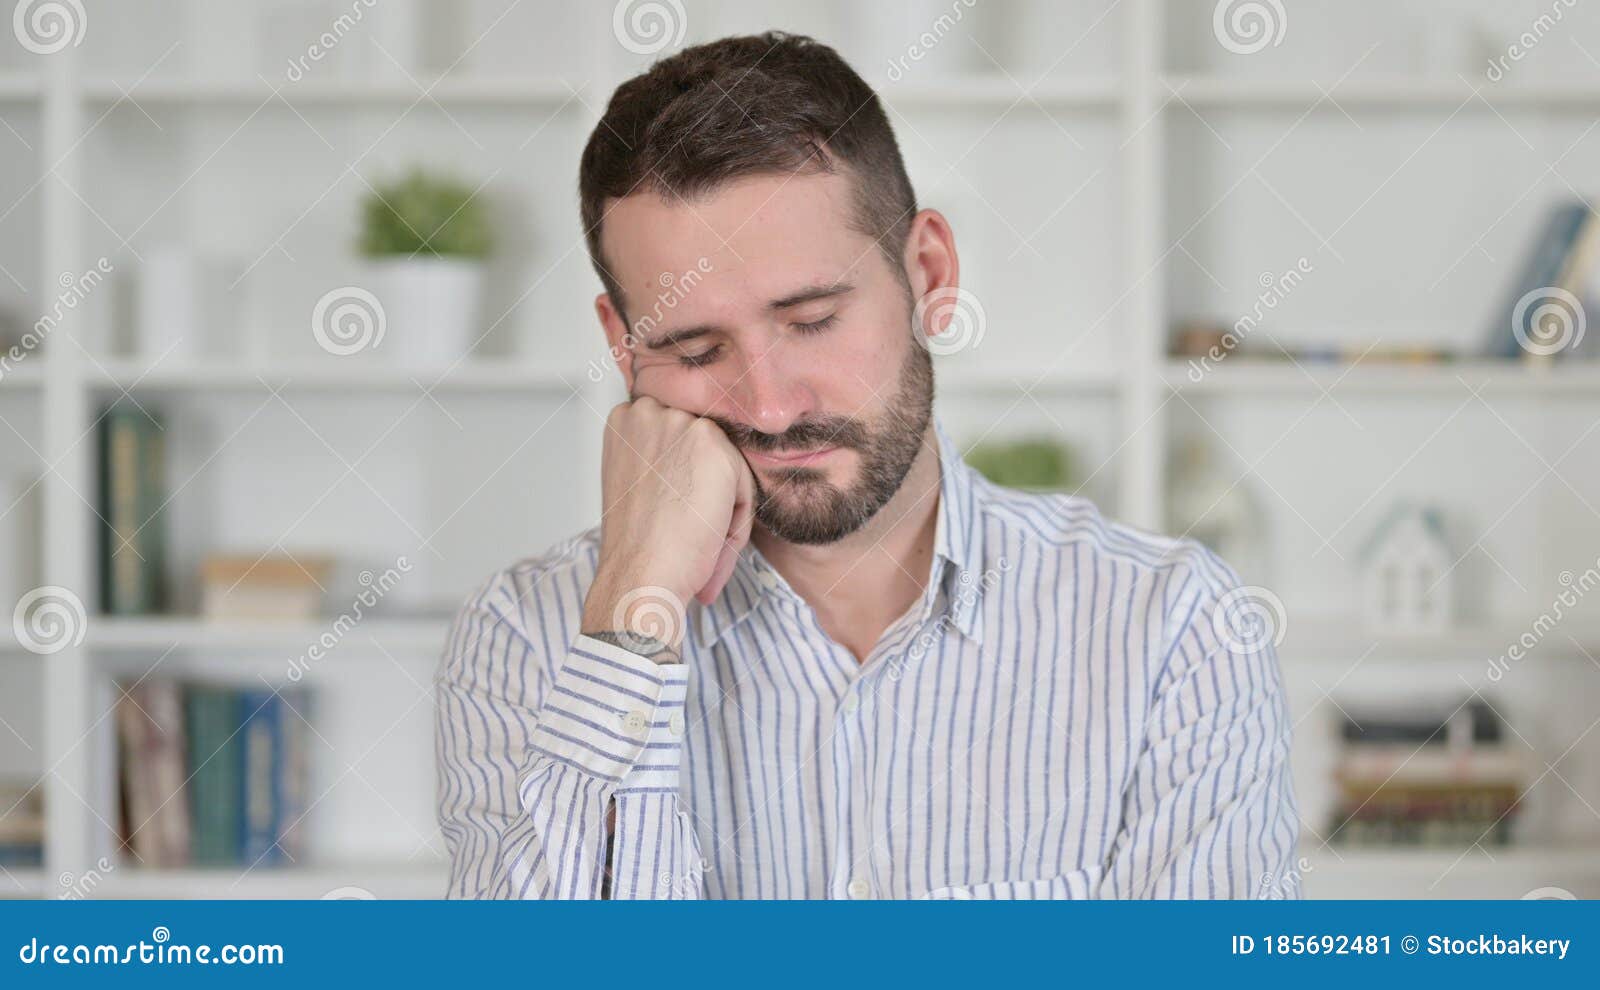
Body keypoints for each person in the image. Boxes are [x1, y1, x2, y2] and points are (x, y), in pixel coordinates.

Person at [434, 31, 1299, 899]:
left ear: (928, 273)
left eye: (812, 320)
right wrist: (636, 605)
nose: (770, 407)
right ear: (624, 348)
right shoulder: (527, 637)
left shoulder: (1174, 632)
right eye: (696, 349)